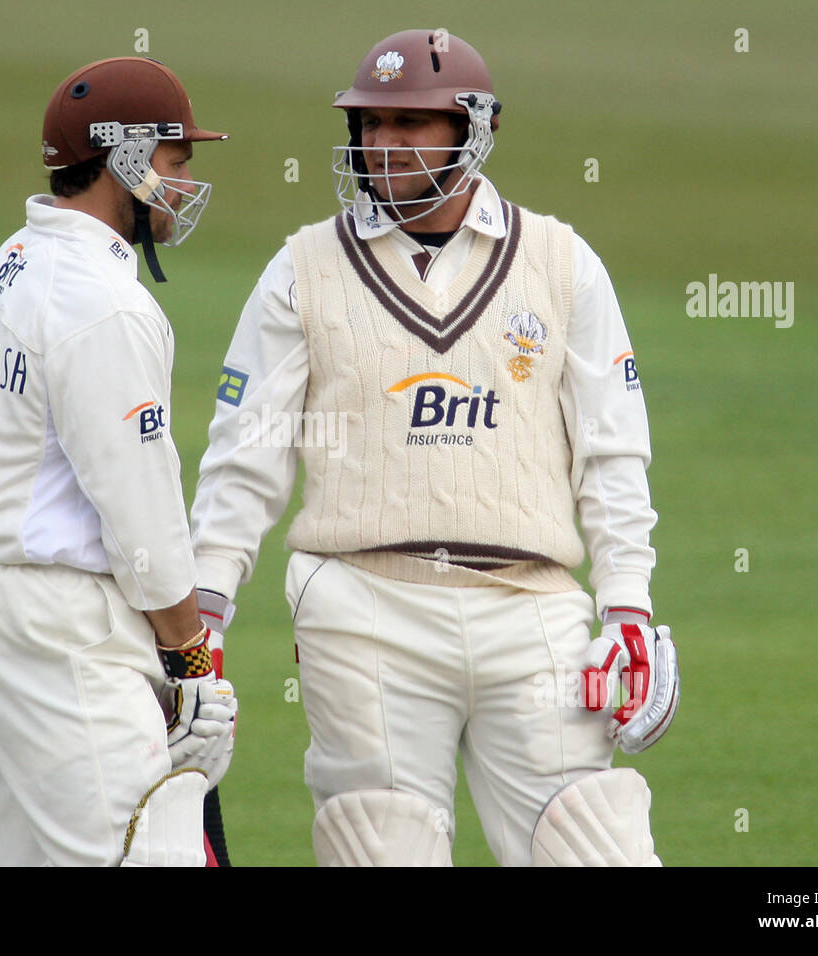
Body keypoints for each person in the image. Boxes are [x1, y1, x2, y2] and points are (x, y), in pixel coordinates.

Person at [191, 30, 679, 866]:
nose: (382, 144)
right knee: (381, 844)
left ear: (472, 130)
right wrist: (203, 610)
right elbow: (248, 454)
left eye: (410, 123)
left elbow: (612, 449)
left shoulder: (562, 263)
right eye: (369, 123)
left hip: (532, 607)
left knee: (597, 848)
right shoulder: (303, 268)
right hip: (362, 605)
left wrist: (628, 603)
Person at [0, 57, 237, 867]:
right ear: (129, 161)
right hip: (64, 626)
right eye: (176, 162)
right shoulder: (103, 301)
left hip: (0, 611)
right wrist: (190, 662)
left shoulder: (14, 261)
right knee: (146, 858)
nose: (183, 182)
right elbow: (138, 503)